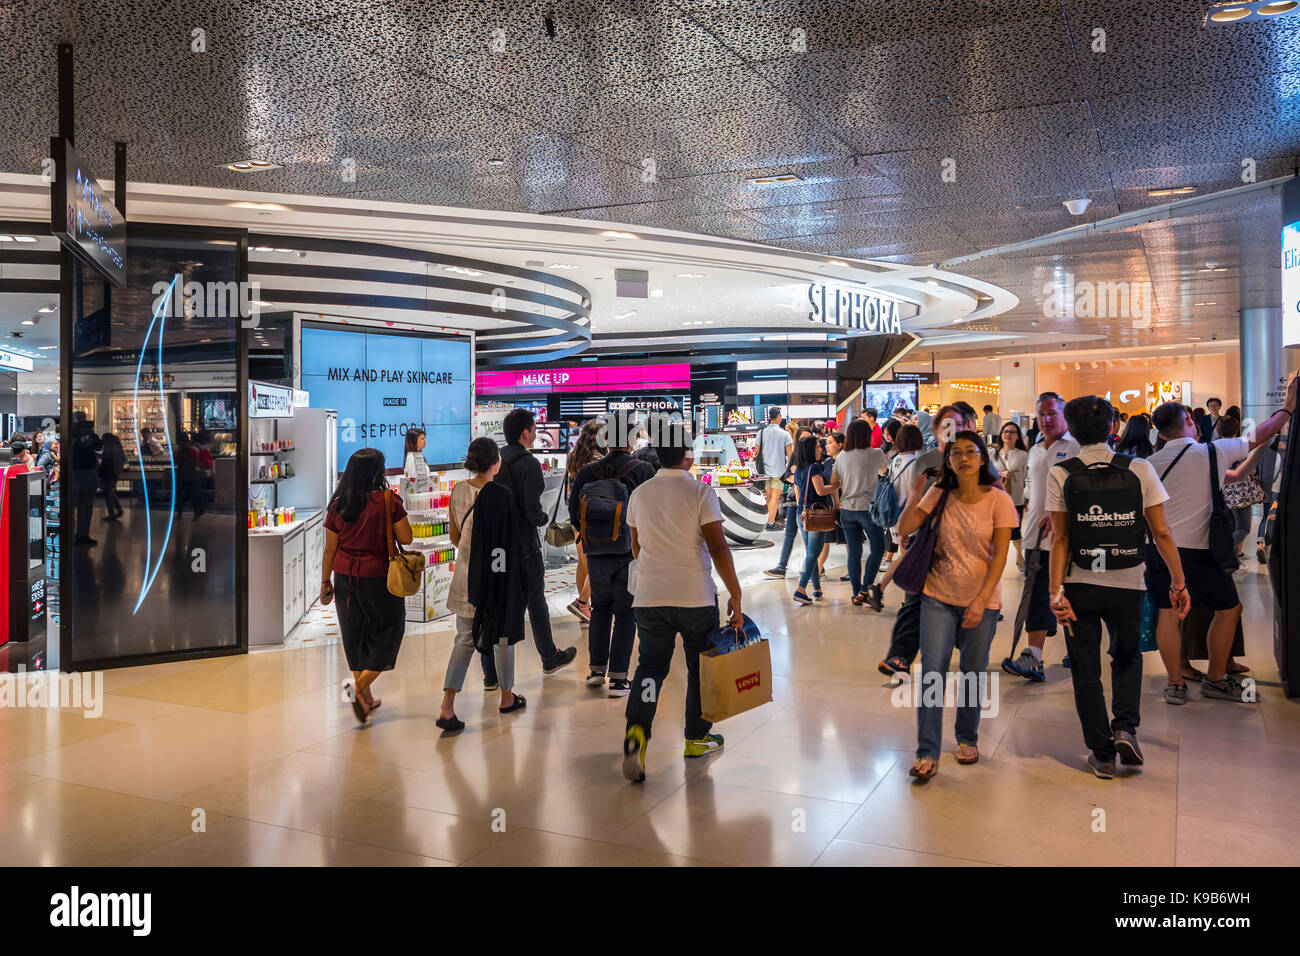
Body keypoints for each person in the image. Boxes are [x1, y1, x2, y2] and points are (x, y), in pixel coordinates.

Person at [1048, 396, 1186, 778]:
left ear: (1071, 431)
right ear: (1114, 427)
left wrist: (1054, 592)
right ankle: (1125, 727)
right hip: (1129, 581)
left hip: (1079, 585)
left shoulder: (1062, 472)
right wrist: (1178, 581)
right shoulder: (1139, 468)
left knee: (1085, 669)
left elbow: (1060, 539)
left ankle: (1101, 753)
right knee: (1127, 657)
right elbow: (1161, 531)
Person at [1147, 378, 1296, 704]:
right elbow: (1259, 433)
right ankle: (1215, 678)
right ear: (1189, 422)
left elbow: (1237, 472)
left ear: (1160, 433)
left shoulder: (1149, 464)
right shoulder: (1209, 452)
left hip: (1160, 551)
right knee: (1229, 608)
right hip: (1199, 554)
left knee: (1167, 614)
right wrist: (1288, 407)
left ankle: (1174, 683)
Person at [622, 419, 742, 783]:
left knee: (650, 669)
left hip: (650, 597)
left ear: (658, 455)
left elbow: (636, 547)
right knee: (699, 669)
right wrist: (735, 592)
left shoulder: (640, 494)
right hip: (694, 597)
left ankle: (637, 735)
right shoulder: (700, 493)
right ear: (689, 455)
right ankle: (696, 738)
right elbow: (718, 547)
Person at [902, 431, 1017, 779]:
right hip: (937, 595)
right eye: (956, 453)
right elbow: (904, 528)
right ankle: (928, 751)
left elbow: (999, 557)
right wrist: (915, 494)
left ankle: (967, 737)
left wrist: (981, 599)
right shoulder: (939, 494)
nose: (964, 458)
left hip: (982, 599)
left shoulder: (999, 501)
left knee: (972, 671)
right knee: (932, 673)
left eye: (971, 451)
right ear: (948, 461)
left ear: (983, 458)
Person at [878, 404, 997, 678]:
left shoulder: (978, 459)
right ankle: (900, 657)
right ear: (935, 429)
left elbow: (995, 494)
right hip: (927, 539)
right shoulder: (925, 461)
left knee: (962, 606)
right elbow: (913, 499)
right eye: (945, 425)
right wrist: (906, 534)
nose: (951, 430)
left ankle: (966, 653)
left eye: (957, 424)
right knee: (914, 600)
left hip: (969, 545)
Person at [438, 438, 523, 732]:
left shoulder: (459, 490)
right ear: (494, 463)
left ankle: (447, 707)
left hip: (465, 577)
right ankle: (506, 696)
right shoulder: (500, 495)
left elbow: (455, 536)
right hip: (494, 578)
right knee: (501, 638)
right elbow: (507, 543)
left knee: (464, 640)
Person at [320, 448, 411, 724]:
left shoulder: (338, 504)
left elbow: (329, 550)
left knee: (355, 634)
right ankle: (358, 689)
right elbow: (405, 538)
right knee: (390, 629)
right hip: (380, 577)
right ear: (378, 472)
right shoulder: (387, 501)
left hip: (345, 578)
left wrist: (325, 582)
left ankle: (367, 699)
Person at [487, 408, 578, 681]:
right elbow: (531, 508)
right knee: (536, 602)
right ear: (525, 433)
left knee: (498, 605)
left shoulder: (496, 460)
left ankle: (491, 673)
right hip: (524, 545)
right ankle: (549, 657)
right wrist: (542, 518)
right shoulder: (529, 464)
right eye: (535, 429)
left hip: (497, 545)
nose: (537, 433)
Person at [568, 414, 654, 696]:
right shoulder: (642, 470)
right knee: (626, 613)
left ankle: (595, 670)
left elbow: (573, 512)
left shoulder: (587, 472)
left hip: (595, 552)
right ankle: (619, 678)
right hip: (630, 552)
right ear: (632, 440)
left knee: (600, 610)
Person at [1001, 393, 1081, 683]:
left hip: (1065, 538)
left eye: (1051, 414)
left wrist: (1061, 514)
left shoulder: (1076, 447)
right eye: (1041, 415)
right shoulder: (1034, 449)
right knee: (1036, 595)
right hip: (1034, 534)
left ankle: (1076, 650)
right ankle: (1033, 655)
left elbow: (1084, 490)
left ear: (1064, 415)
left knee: (1068, 595)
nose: (1045, 420)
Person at [833, 419, 888, 609]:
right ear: (867, 435)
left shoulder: (841, 456)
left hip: (847, 509)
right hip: (868, 509)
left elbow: (834, 480)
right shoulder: (875, 453)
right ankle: (865, 589)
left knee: (854, 552)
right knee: (879, 548)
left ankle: (856, 592)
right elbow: (885, 472)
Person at [565, 419, 606, 625]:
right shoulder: (598, 460)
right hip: (591, 517)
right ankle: (583, 603)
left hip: (575, 516)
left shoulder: (573, 457)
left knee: (583, 562)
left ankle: (585, 607)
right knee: (596, 563)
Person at [764, 425, 814, 579]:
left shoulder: (817, 455)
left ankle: (816, 566)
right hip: (793, 500)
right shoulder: (796, 454)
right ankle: (782, 567)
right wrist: (798, 478)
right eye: (802, 438)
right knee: (790, 534)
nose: (804, 441)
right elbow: (785, 475)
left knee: (808, 537)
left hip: (809, 502)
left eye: (807, 437)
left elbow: (813, 479)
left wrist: (797, 476)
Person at [789, 435, 832, 606]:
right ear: (810, 450)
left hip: (802, 513)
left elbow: (799, 495)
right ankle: (800, 588)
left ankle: (816, 587)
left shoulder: (798, 470)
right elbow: (821, 491)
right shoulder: (814, 468)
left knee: (810, 553)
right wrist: (837, 485)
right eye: (817, 447)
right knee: (814, 553)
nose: (820, 449)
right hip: (816, 515)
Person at [879, 422, 924, 579]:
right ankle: (904, 591)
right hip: (909, 513)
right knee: (909, 556)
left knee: (904, 553)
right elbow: (916, 492)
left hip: (893, 513)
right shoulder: (916, 462)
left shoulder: (895, 460)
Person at [992, 421, 1029, 571]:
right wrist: (1001, 474)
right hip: (996, 499)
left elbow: (1027, 477)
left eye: (1012, 432)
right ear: (1001, 435)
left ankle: (1020, 557)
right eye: (1006, 431)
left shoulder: (1023, 455)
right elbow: (987, 475)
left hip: (1016, 498)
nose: (1008, 434)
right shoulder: (992, 454)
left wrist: (1027, 498)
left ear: (1017, 436)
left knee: (1015, 531)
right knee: (995, 531)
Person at [756, 406, 794, 529]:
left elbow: (756, 453)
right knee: (775, 497)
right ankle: (770, 523)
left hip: (765, 471)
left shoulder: (760, 433)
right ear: (778, 417)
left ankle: (767, 521)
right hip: (779, 471)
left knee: (768, 496)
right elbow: (790, 456)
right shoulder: (785, 434)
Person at [70, 411, 102, 546]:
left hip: (81, 471)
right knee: (83, 505)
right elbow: (99, 447)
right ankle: (80, 534)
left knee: (83, 505)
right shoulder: (77, 436)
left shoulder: (75, 435)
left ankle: (80, 534)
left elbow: (98, 446)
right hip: (83, 471)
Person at [816, 430, 845, 578]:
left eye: (830, 443)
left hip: (844, 505)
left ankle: (853, 569)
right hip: (830, 506)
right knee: (825, 539)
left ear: (840, 445)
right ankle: (819, 568)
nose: (826, 446)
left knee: (848, 540)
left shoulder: (845, 461)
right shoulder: (827, 462)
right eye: (826, 443)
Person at [99, 432, 126, 520]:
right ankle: (118, 509)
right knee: (110, 492)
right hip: (114, 473)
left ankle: (112, 513)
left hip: (109, 473)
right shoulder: (118, 447)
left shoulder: (110, 448)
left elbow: (105, 457)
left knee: (108, 493)